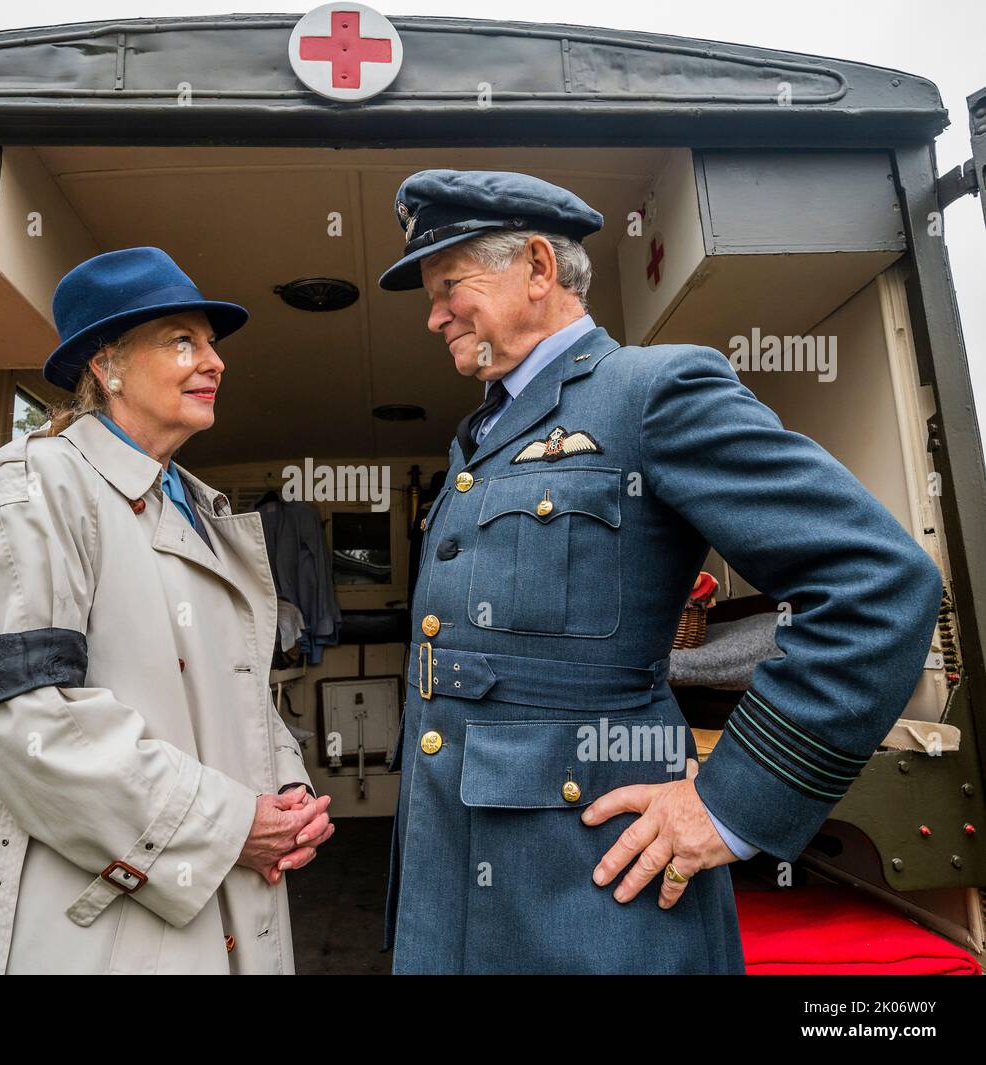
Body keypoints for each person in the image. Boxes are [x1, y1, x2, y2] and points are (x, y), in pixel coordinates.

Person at [377, 169, 944, 974]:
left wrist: (729, 804)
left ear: (538, 268)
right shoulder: (483, 433)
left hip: (587, 896)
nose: (434, 316)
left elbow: (882, 583)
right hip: (464, 882)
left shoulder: (650, 392)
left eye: (448, 287)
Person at [0, 247, 334, 974]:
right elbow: (29, 724)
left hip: (225, 893)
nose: (215, 362)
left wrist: (288, 787)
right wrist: (234, 824)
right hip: (96, 925)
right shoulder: (35, 485)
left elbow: (236, 686)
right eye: (184, 340)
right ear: (107, 365)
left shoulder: (198, 506)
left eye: (211, 343)